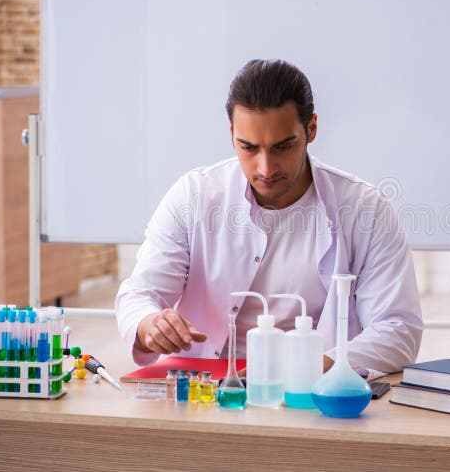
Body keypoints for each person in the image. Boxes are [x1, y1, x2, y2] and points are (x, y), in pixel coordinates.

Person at [115, 59, 422, 378]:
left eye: (283, 147)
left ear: (311, 129)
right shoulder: (194, 196)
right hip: (204, 390)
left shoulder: (366, 210)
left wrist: (307, 368)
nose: (265, 168)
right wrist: (149, 324)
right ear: (231, 133)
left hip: (312, 390)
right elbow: (139, 295)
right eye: (248, 147)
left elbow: (397, 330)